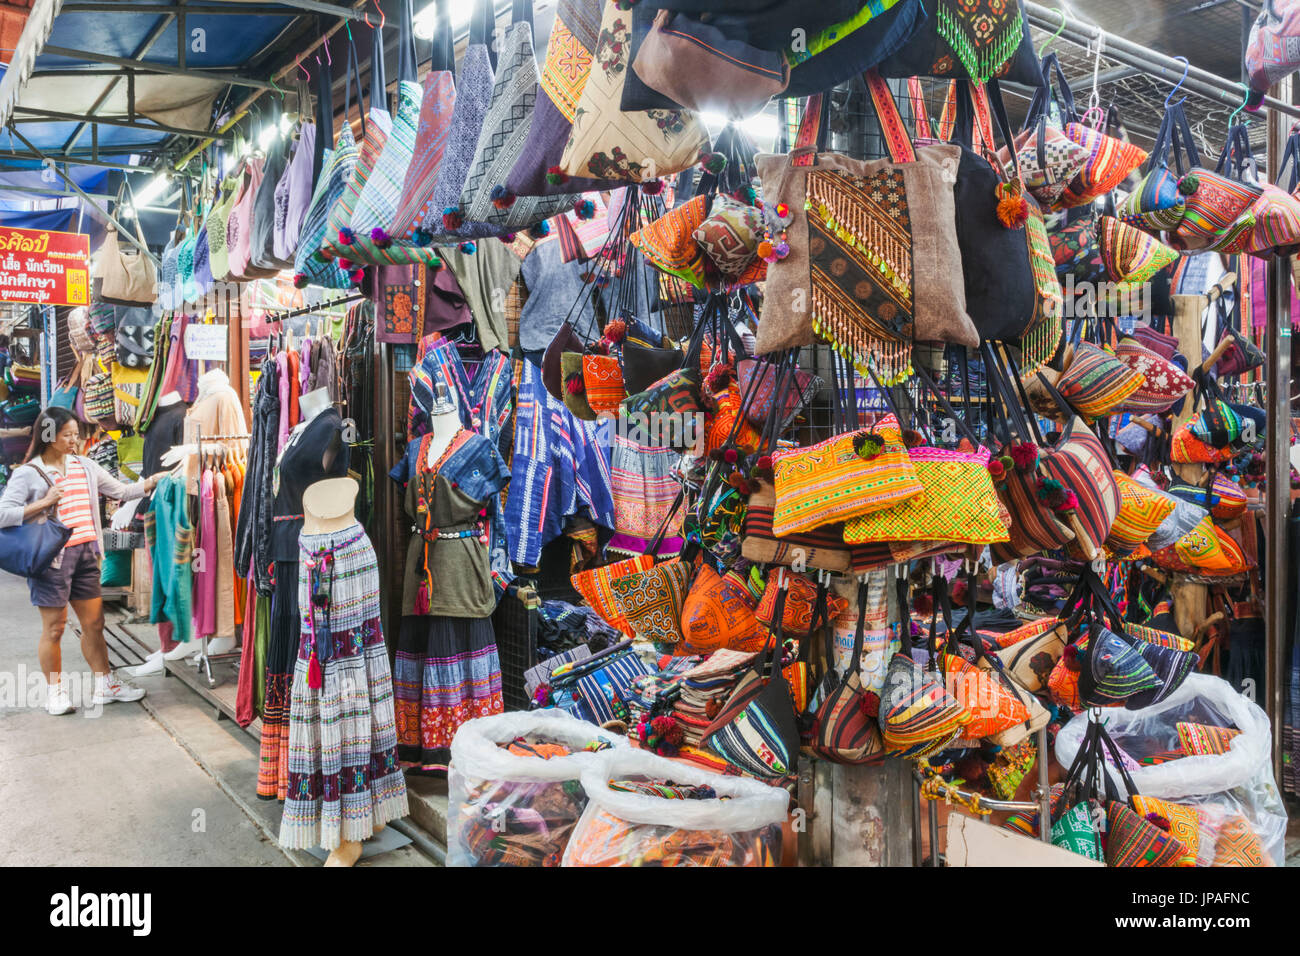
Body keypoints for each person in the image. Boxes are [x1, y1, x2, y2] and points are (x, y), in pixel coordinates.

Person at [0, 406, 165, 715]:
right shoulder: (28, 473)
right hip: (52, 559)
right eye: (67, 435)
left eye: (76, 434)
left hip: (87, 553)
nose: (74, 440)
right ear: (48, 435)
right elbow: (3, 515)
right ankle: (55, 693)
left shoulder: (85, 466)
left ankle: (106, 685)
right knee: (55, 628)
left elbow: (122, 490)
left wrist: (153, 480)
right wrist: (43, 503)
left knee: (95, 624)